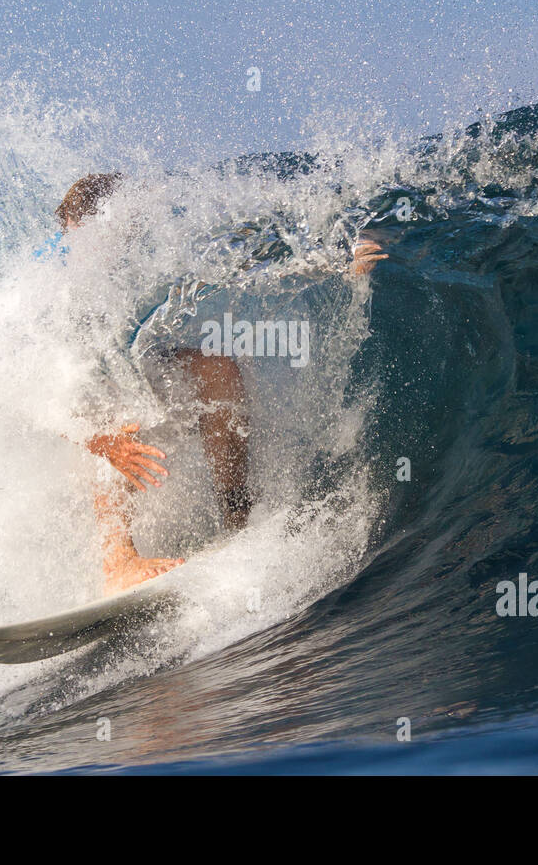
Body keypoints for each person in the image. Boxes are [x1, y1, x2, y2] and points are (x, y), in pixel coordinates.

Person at [53, 173, 387, 593]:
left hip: (139, 369)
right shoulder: (65, 290)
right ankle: (117, 562)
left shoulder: (147, 256)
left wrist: (335, 262)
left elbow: (246, 270)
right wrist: (105, 444)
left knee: (217, 369)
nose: (132, 228)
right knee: (113, 413)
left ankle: (237, 522)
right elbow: (37, 390)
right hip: (82, 400)